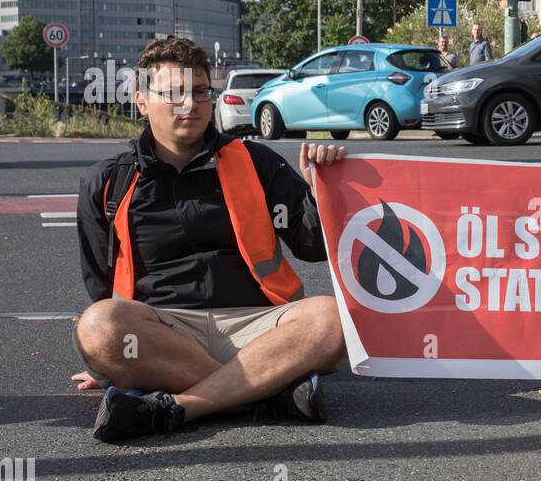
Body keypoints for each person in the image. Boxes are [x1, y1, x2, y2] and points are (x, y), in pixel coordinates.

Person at [72, 35, 349, 442]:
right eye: (175, 93)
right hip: (166, 331)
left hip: (259, 323)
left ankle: (184, 407)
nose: (190, 104)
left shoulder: (256, 162)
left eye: (201, 92)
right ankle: (268, 392)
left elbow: (313, 246)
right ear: (142, 101)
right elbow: (100, 282)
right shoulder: (109, 180)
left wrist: (324, 191)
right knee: (96, 328)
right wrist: (108, 355)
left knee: (335, 320)